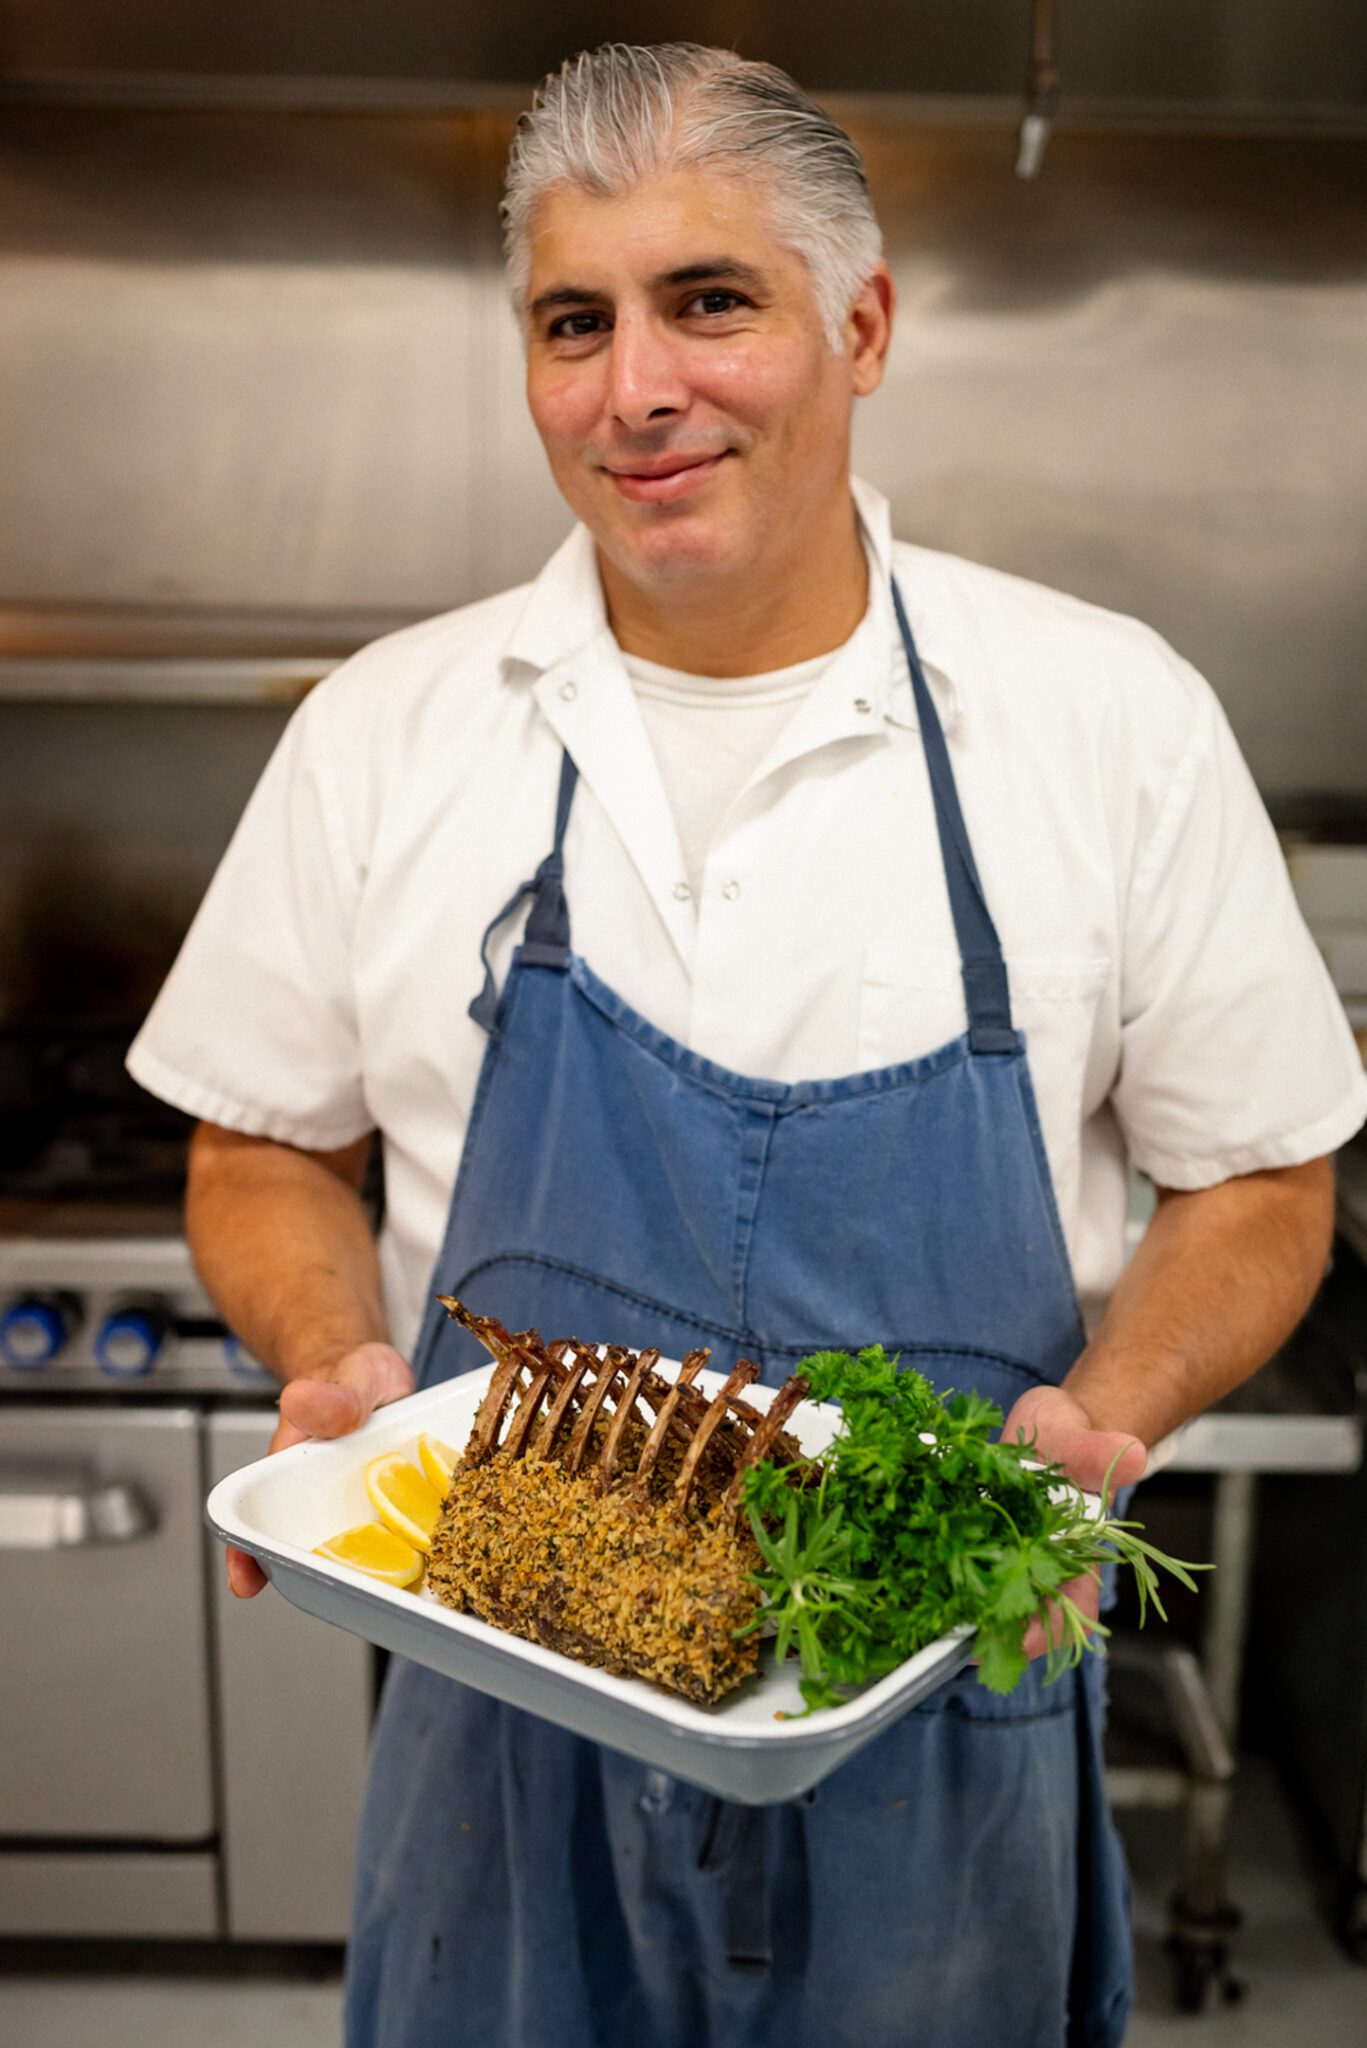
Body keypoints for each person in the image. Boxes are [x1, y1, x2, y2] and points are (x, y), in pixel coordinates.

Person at [128, 42, 1365, 2048]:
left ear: (861, 325)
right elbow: (263, 1143)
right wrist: (326, 1351)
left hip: (940, 1702)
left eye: (712, 300)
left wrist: (1107, 1411)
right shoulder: (389, 729)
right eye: (573, 321)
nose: (640, 387)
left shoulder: (1105, 716)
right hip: (502, 1703)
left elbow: (1263, 1173)